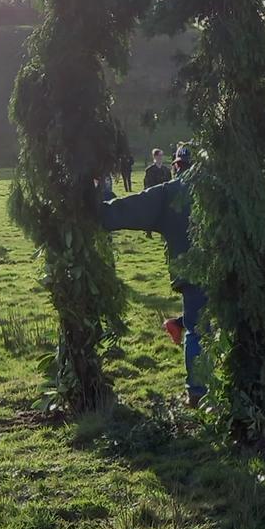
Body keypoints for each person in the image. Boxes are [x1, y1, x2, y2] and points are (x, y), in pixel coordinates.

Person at [100, 165, 215, 403]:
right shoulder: (228, 184)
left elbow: (131, 209)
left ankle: (198, 389)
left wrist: (95, 209)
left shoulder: (170, 192)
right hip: (225, 269)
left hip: (190, 271)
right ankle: (200, 390)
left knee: (199, 327)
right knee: (204, 327)